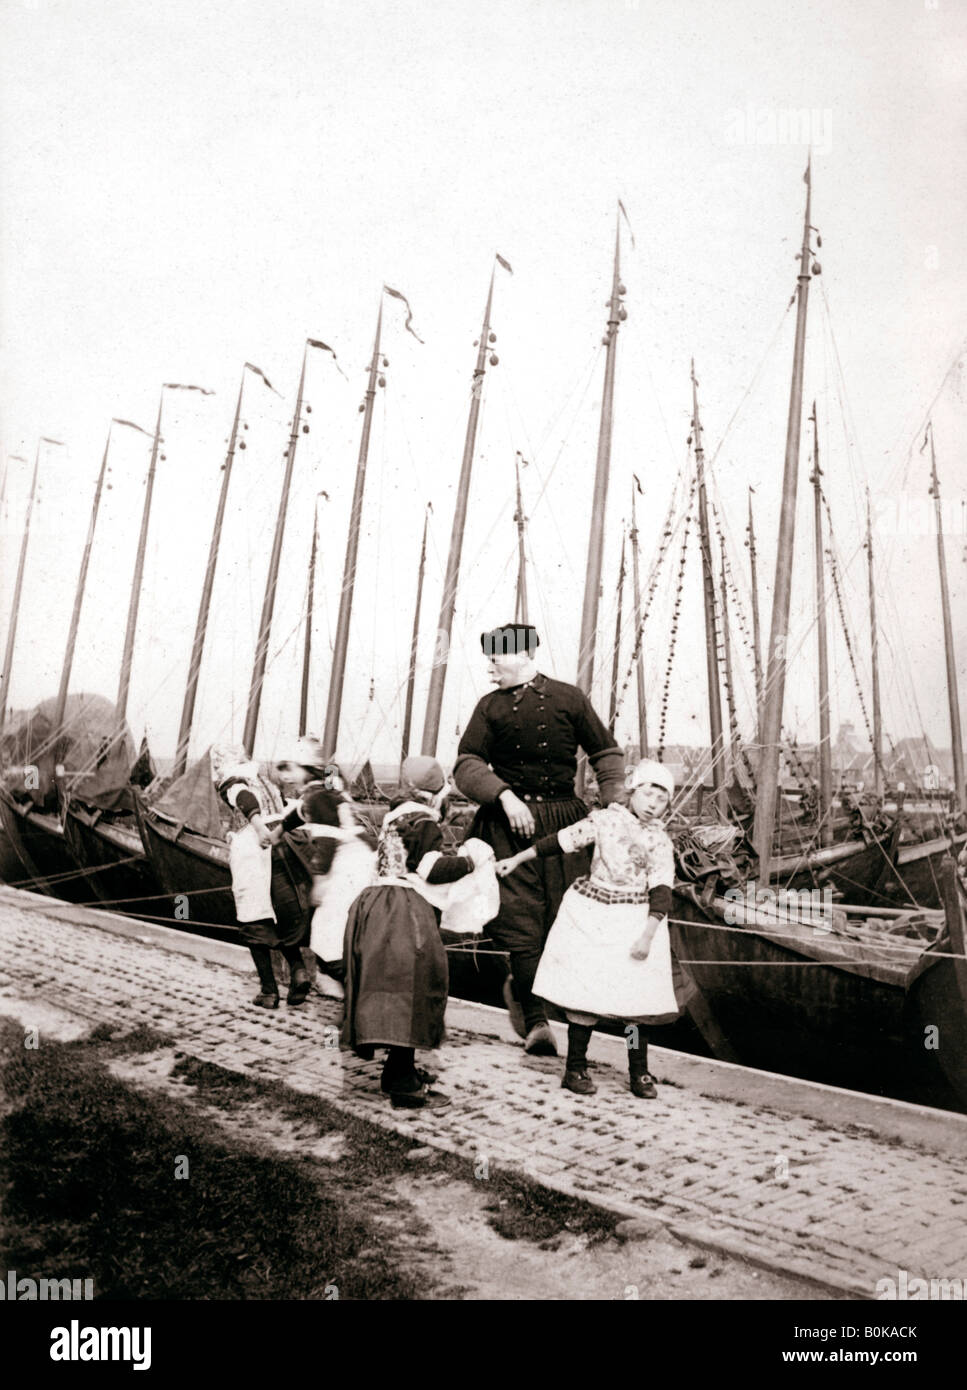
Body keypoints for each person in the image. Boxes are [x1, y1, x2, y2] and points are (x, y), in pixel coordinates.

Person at [453, 623, 625, 1057]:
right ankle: (536, 1023)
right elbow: (467, 764)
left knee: (568, 918)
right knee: (523, 925)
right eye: (488, 657)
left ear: (527, 653)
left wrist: (614, 807)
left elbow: (606, 754)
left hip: (566, 824)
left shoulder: (570, 698)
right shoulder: (488, 707)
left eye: (499, 656)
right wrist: (504, 796)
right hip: (508, 829)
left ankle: (563, 1010)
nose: (490, 665)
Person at [495, 759, 679, 1100]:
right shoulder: (606, 821)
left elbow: (661, 891)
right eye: (648, 794)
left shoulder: (660, 841)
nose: (653, 803)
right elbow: (562, 840)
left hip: (635, 920)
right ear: (632, 792)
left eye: (662, 798)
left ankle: (638, 1070)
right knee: (585, 995)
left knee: (635, 1004)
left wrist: (648, 935)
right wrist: (518, 859)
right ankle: (575, 1068)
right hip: (594, 912)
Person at [341, 755, 489, 1110]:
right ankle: (403, 1083)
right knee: (412, 987)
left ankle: (397, 1070)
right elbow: (432, 869)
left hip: (375, 903)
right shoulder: (423, 820)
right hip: (402, 911)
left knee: (390, 989)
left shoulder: (396, 816)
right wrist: (473, 860)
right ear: (434, 792)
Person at [212, 743, 311, 1010]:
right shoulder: (265, 779)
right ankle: (298, 970)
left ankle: (269, 991)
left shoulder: (232, 781)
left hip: (255, 847)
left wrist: (257, 826)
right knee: (280, 912)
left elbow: (244, 799)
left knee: (254, 915)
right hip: (282, 843)